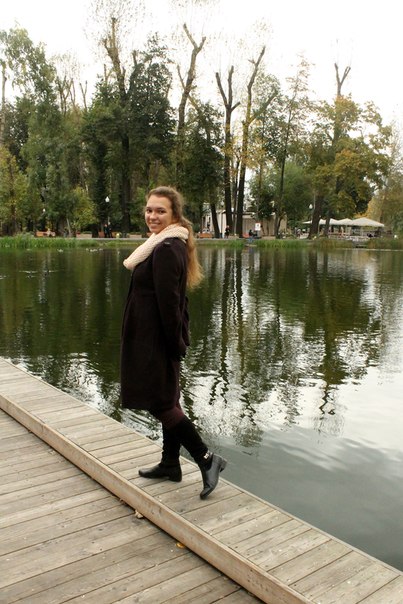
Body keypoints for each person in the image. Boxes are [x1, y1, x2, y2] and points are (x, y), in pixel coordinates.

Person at [120, 186, 227, 499]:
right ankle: (170, 463)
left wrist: (173, 343)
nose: (152, 216)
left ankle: (206, 458)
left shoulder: (167, 248)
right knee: (169, 398)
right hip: (150, 336)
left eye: (160, 211)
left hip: (155, 340)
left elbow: (169, 304)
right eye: (149, 210)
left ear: (174, 215)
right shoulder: (160, 243)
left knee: (160, 402)